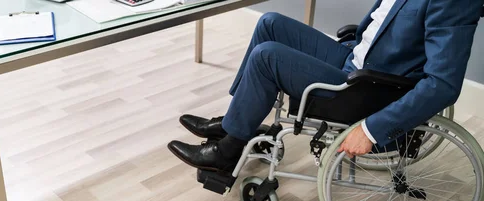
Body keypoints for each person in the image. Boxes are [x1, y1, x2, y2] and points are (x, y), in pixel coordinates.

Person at [167, 0, 484, 173]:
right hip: (355, 59)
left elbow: (442, 84)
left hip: (368, 91)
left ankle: (228, 151)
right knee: (271, 22)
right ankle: (234, 123)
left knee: (267, 57)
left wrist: (372, 130)